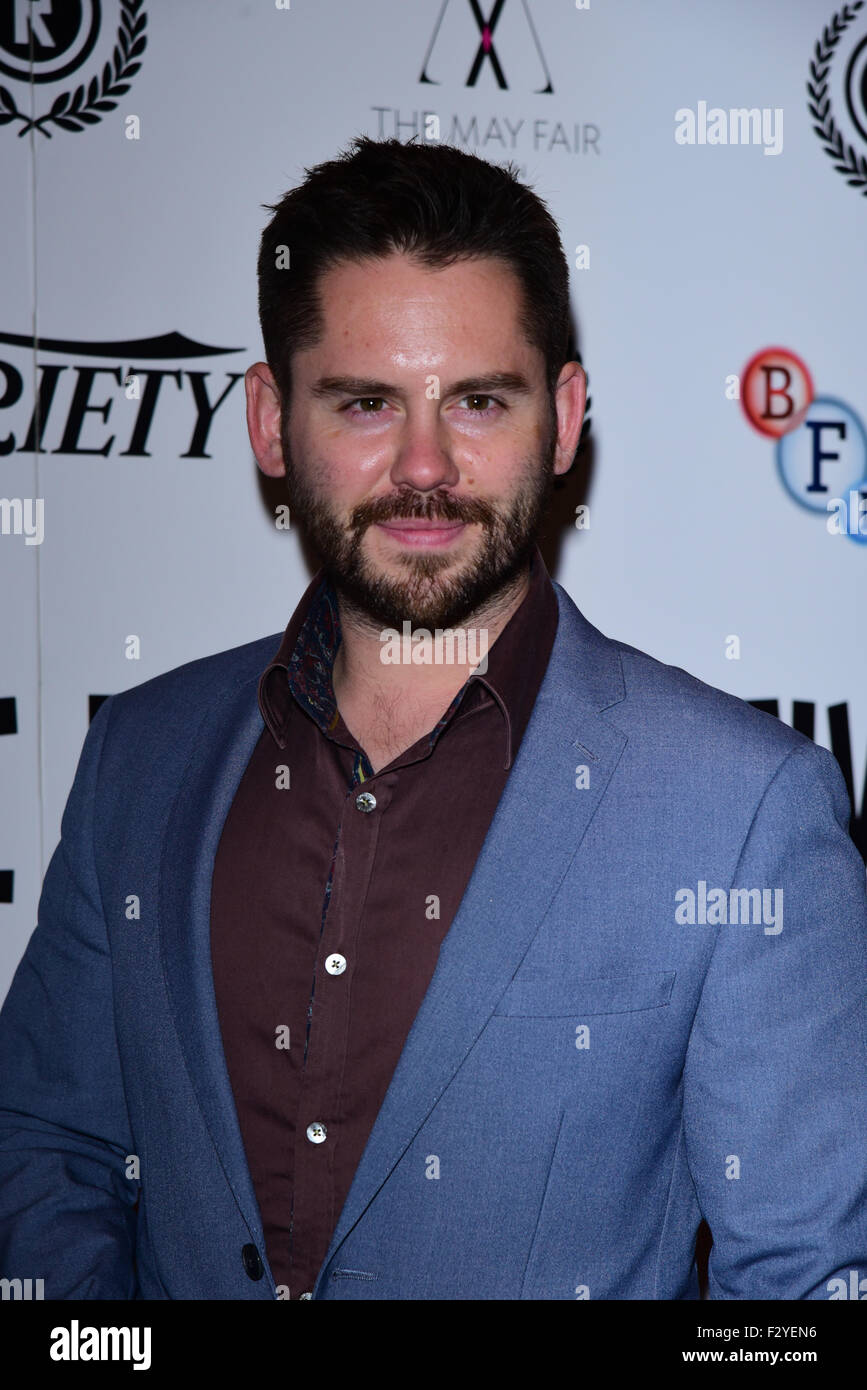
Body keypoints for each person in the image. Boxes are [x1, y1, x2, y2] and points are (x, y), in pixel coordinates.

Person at [1, 136, 865, 1301]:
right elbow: (50, 1144)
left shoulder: (742, 807)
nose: (423, 464)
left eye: (477, 400)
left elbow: (802, 1293)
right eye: (365, 401)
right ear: (270, 419)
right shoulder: (139, 756)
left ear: (562, 419)